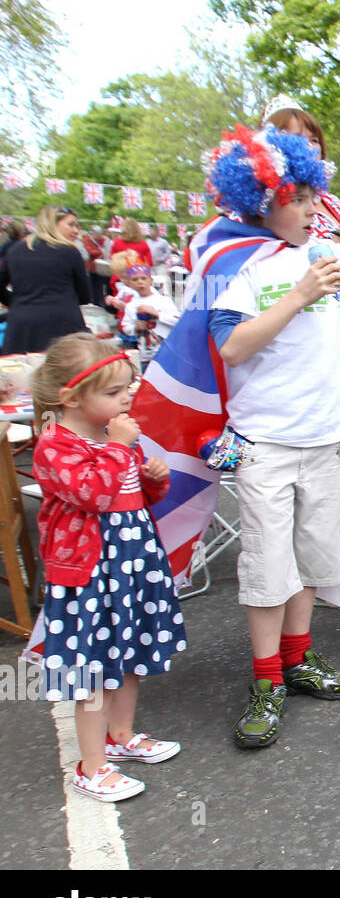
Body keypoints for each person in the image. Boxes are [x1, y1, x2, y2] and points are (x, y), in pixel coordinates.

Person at [202, 124, 340, 748]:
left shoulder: (324, 254)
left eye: (310, 197)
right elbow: (230, 345)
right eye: (295, 198)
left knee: (310, 560)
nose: (308, 209)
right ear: (261, 199)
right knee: (267, 566)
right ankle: (266, 680)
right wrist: (299, 296)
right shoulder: (235, 265)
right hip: (265, 445)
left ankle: (296, 663)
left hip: (324, 443)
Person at [24, 334, 185, 801]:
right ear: (70, 398)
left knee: (130, 655)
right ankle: (91, 765)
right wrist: (120, 449)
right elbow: (92, 495)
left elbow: (130, 495)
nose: (127, 399)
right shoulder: (55, 446)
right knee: (92, 670)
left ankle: (121, 735)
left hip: (132, 568)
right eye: (114, 393)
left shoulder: (114, 437)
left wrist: (154, 480)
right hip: (89, 576)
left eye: (127, 389)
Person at [262, 95, 340, 247]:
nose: (310, 147)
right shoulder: (265, 208)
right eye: (297, 138)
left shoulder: (332, 201)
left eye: (314, 140)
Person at [0, 206, 90, 353]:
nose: (76, 230)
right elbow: (84, 296)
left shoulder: (15, 250)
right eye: (71, 224)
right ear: (52, 223)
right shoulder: (69, 252)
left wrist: (17, 302)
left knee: (23, 371)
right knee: (66, 371)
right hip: (63, 323)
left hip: (23, 324)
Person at [106, 261, 179, 365]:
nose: (140, 282)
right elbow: (125, 326)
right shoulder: (131, 305)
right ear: (129, 284)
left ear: (151, 280)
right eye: (135, 279)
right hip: (145, 355)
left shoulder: (164, 300)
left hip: (167, 353)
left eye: (143, 278)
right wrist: (136, 328)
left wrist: (157, 314)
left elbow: (177, 320)